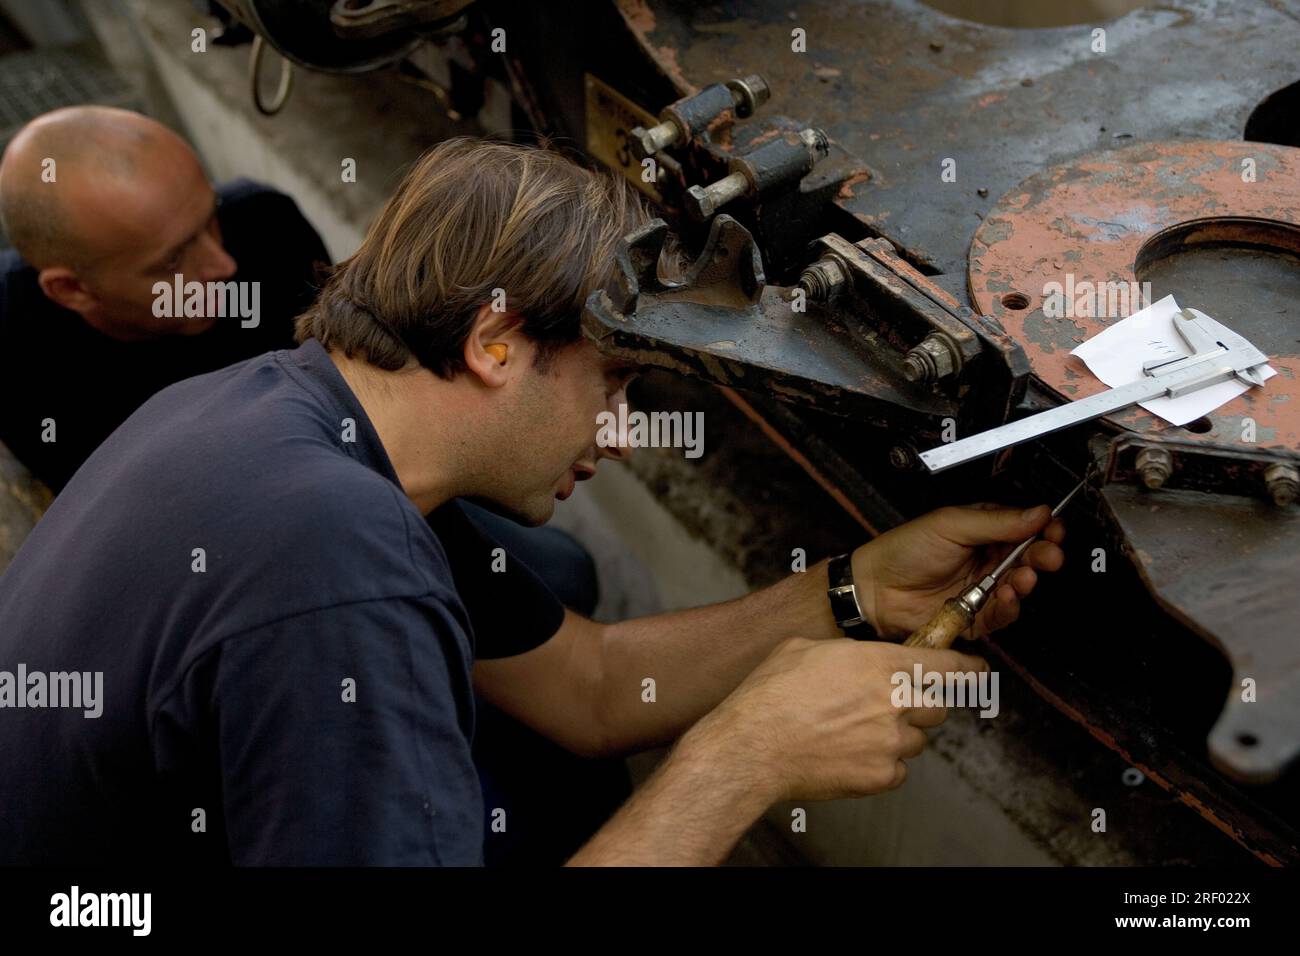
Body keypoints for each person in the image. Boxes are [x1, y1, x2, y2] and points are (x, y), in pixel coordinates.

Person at [0, 137, 1066, 866]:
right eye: (612, 383)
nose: (616, 430)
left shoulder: (296, 418)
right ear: (496, 343)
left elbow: (588, 688)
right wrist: (744, 759)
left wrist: (852, 591)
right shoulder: (333, 567)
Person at [0, 105, 328, 492]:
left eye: (211, 218)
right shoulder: (14, 351)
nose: (222, 266)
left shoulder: (268, 224)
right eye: (172, 260)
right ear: (72, 290)